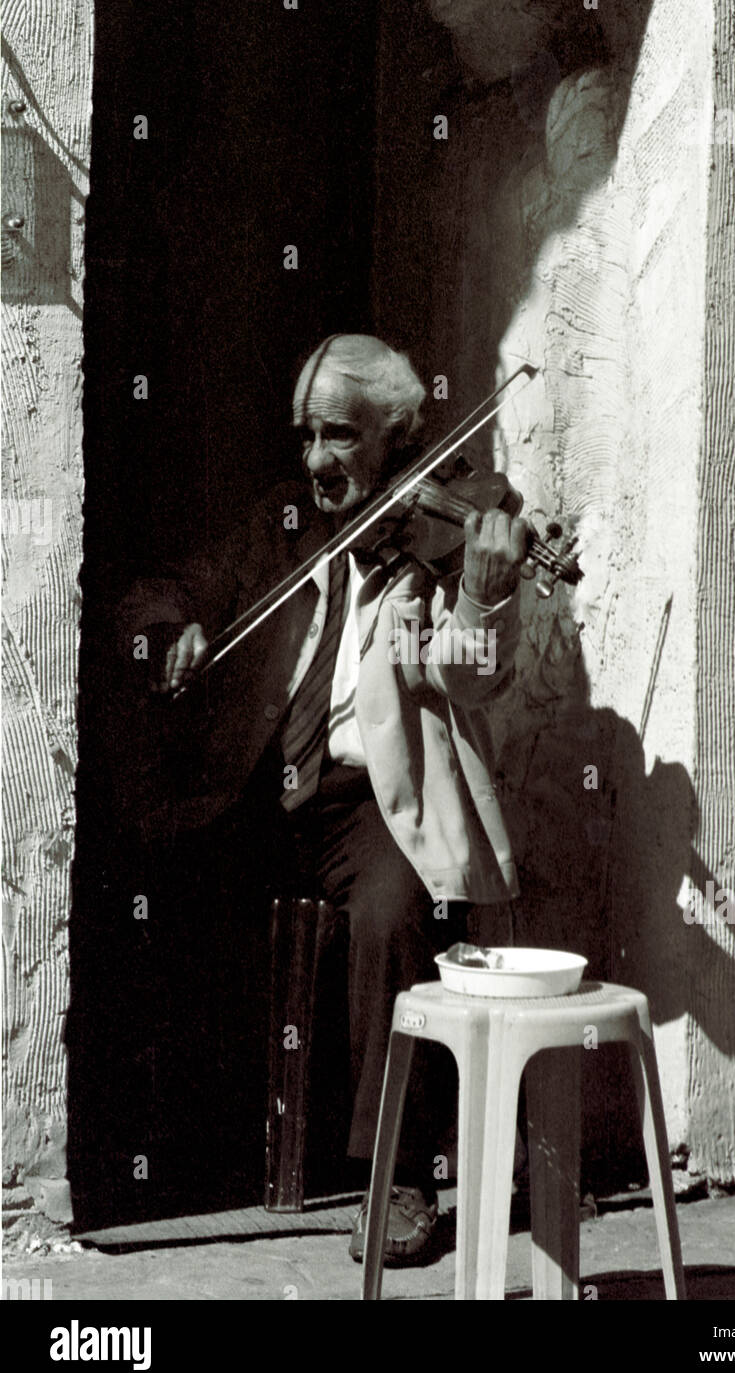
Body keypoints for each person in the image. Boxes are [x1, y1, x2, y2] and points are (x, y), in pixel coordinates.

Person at [127, 334, 528, 1261]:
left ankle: (399, 1179)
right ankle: (172, 1145)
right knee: (152, 876)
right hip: (264, 790)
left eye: (340, 438)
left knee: (391, 915)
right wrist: (172, 631)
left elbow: (469, 679)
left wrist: (484, 596)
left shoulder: (441, 542)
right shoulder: (285, 521)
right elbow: (164, 589)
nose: (316, 462)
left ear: (398, 435)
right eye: (306, 437)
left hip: (369, 801)